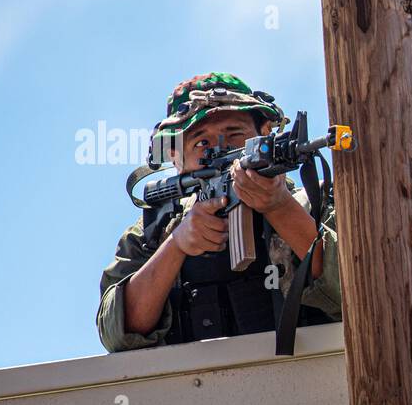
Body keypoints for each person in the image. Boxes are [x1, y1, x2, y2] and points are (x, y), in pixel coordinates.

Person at [97, 72, 341, 352]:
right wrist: (178, 244)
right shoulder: (153, 233)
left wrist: (280, 208)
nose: (219, 148)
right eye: (201, 142)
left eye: (234, 134)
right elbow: (118, 333)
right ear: (176, 158)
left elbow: (355, 294)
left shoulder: (315, 201)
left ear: (264, 134)